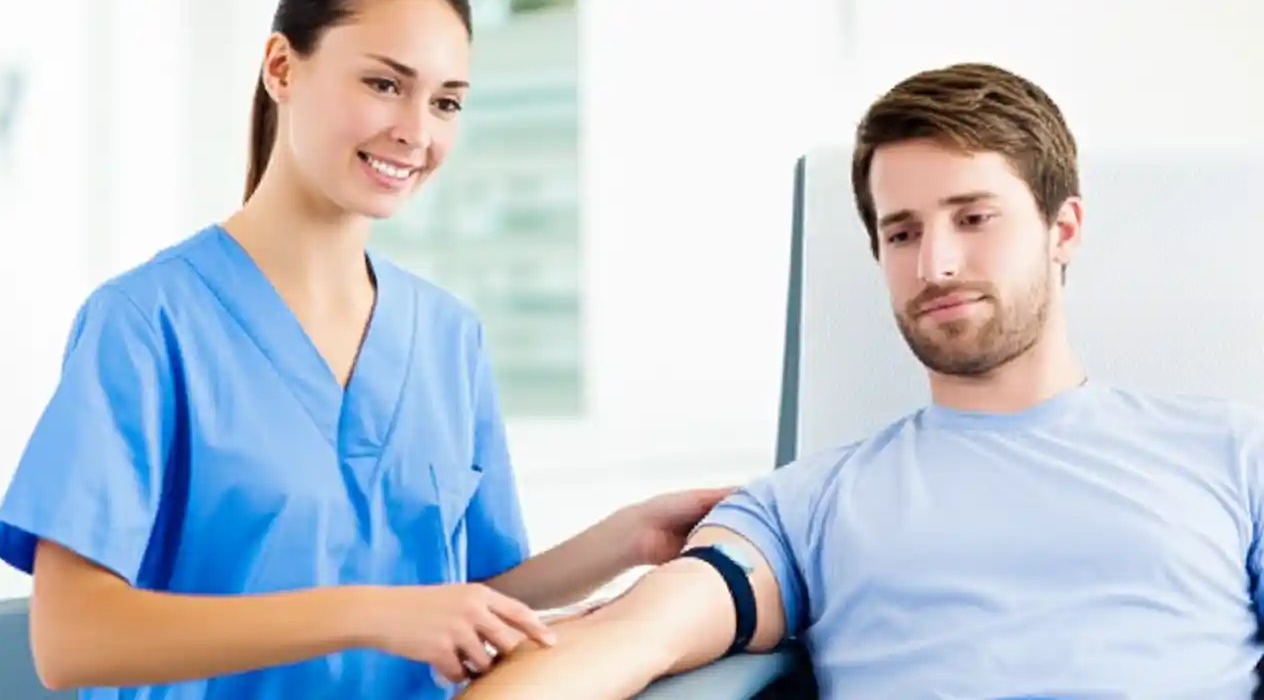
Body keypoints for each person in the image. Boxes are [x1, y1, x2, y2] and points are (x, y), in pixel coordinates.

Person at [0, 0, 731, 698]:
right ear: (281, 67)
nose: (417, 130)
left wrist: (628, 542)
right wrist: (367, 613)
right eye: (384, 84)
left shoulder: (449, 337)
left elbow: (464, 601)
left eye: (446, 102)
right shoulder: (149, 323)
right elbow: (71, 641)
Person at [457, 62, 1264, 699]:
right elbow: (632, 636)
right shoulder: (807, 504)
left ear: (1064, 229)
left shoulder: (1233, 455)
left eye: (973, 218)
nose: (935, 264)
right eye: (901, 231)